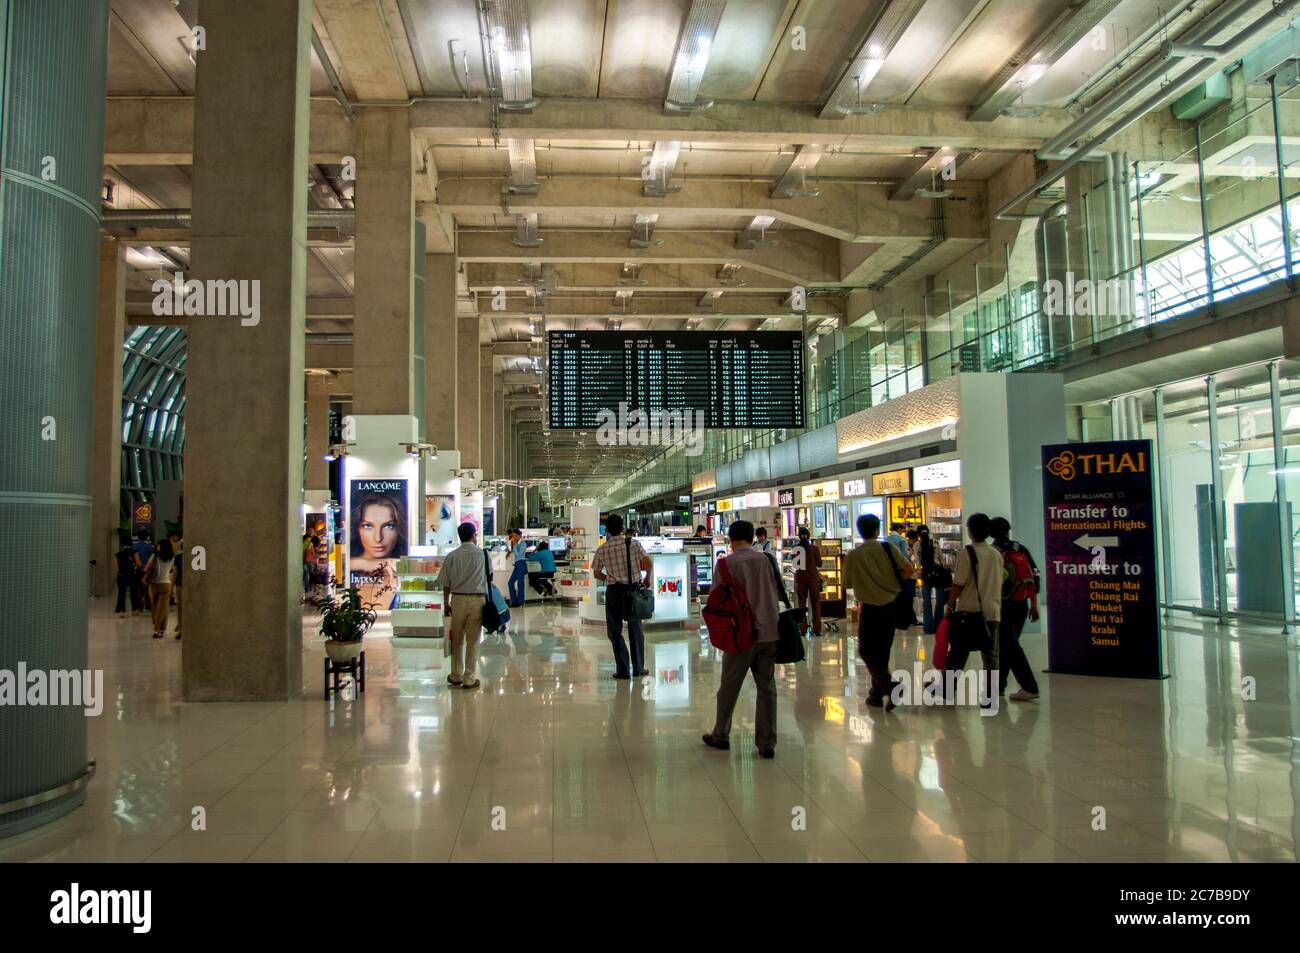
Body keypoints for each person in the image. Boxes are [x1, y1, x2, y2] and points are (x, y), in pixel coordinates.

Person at [702, 520, 782, 758]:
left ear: (730, 538)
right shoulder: (767, 560)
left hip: (740, 635)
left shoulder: (726, 564)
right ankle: (767, 743)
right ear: (751, 537)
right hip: (770, 631)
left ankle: (721, 734)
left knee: (729, 686)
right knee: (767, 688)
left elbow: (716, 599)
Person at [844, 514, 914, 710]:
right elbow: (909, 569)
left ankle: (892, 687)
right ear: (877, 530)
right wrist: (893, 582)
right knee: (882, 651)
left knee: (866, 650)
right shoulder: (887, 547)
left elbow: (847, 583)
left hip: (870, 609)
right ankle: (875, 695)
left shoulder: (853, 555)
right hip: (891, 606)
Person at [944, 513, 1003, 708]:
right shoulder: (996, 553)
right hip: (992, 611)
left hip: (969, 612)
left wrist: (949, 604)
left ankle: (946, 688)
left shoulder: (967, 553)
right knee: (991, 656)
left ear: (969, 530)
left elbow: (959, 583)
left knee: (959, 653)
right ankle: (990, 696)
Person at [591, 513, 652, 679]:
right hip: (633, 590)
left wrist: (609, 578)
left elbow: (596, 573)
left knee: (615, 631)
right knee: (635, 629)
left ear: (607, 531)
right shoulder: (633, 544)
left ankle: (623, 670)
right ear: (622, 529)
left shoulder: (603, 548)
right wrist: (647, 578)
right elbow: (649, 561)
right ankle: (639, 668)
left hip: (614, 592)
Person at [990, 516, 1042, 702]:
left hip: (1001, 605)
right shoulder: (1020, 549)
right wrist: (1034, 605)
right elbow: (1034, 577)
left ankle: (1029, 686)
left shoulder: (992, 552)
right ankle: (1000, 686)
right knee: (1007, 645)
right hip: (1021, 604)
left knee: (1010, 646)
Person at [436, 522, 488, 690]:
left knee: (456, 639)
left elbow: (445, 583)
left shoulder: (452, 556)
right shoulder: (483, 555)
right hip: (478, 600)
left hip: (457, 600)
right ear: (474, 535)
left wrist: (446, 603)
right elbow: (490, 578)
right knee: (473, 641)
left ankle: (456, 675)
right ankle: (469, 678)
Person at [918, 525, 950, 634]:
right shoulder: (935, 543)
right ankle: (938, 625)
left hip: (926, 574)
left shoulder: (917, 545)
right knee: (939, 600)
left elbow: (917, 562)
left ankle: (928, 627)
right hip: (938, 574)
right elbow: (942, 560)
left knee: (926, 601)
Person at [143, 538, 176, 639]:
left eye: (158, 545)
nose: (157, 547)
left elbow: (146, 569)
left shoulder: (154, 557)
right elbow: (172, 571)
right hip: (166, 584)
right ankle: (162, 629)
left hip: (153, 585)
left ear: (161, 547)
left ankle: (156, 629)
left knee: (155, 608)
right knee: (163, 608)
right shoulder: (172, 558)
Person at [793, 526, 823, 637]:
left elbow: (795, 565)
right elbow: (819, 563)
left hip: (800, 579)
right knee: (815, 604)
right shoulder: (814, 548)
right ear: (809, 536)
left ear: (799, 537)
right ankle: (817, 630)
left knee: (801, 605)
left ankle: (802, 629)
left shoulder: (796, 548)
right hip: (813, 579)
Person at [113, 539, 140, 615]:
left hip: (121, 575)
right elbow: (138, 564)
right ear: (131, 544)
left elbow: (117, 566)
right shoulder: (135, 552)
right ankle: (135, 610)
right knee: (133, 592)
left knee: (121, 593)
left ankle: (122, 611)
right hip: (132, 575)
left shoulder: (118, 554)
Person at [131, 530, 154, 614]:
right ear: (146, 537)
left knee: (138, 589)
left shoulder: (134, 546)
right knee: (147, 588)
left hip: (137, 569)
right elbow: (151, 559)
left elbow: (133, 558)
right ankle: (148, 606)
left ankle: (139, 607)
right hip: (147, 570)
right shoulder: (149, 547)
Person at [506, 530, 528, 607]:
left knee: (520, 583)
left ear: (519, 536)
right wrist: (510, 551)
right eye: (513, 536)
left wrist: (514, 546)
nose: (514, 537)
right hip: (517, 565)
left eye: (515, 536)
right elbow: (515, 552)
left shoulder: (523, 544)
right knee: (510, 583)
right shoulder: (517, 544)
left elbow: (518, 555)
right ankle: (514, 601)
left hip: (521, 564)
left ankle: (520, 602)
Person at [169, 529, 184, 640]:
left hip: (180, 585)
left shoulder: (178, 558)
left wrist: (171, 588)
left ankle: (181, 629)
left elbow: (174, 574)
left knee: (180, 608)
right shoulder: (198, 555)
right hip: (193, 587)